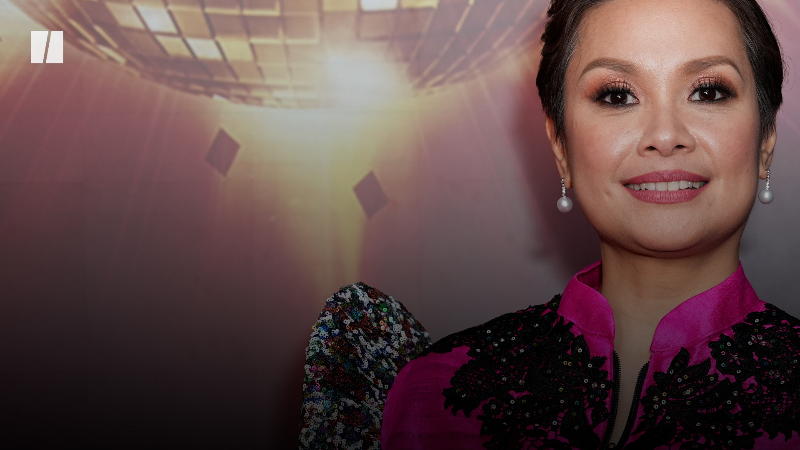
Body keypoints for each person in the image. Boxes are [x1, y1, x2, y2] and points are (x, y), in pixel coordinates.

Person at [380, 0, 798, 449]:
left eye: (709, 92)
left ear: (765, 140)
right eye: (617, 96)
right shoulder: (434, 393)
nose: (664, 136)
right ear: (561, 147)